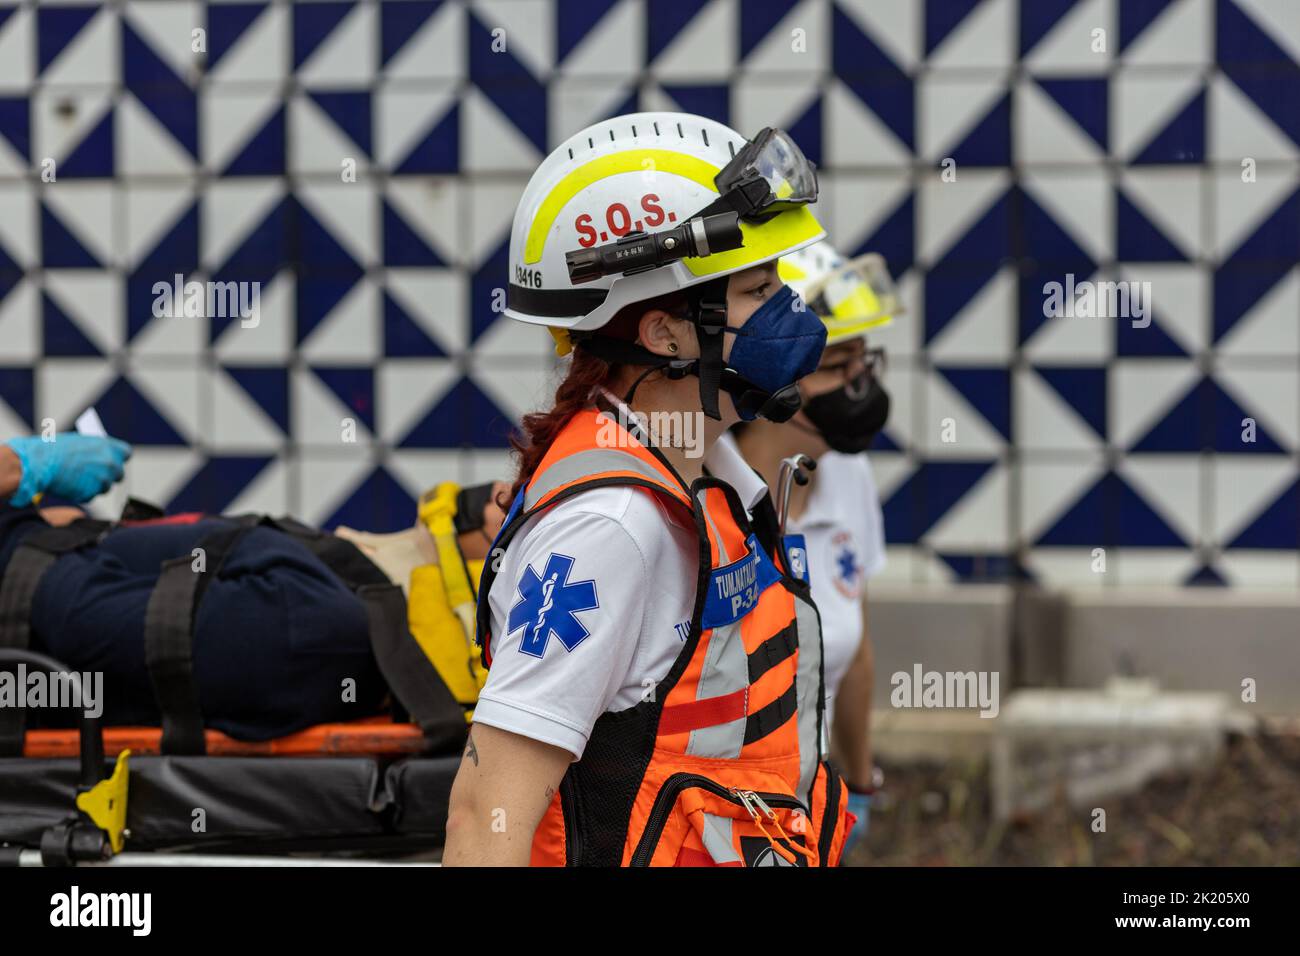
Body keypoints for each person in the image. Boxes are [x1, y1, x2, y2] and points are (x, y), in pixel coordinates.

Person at [443, 112, 854, 867]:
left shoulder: (711, 478)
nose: (791, 312)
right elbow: (483, 818)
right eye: (758, 290)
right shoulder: (612, 527)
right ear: (665, 334)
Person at [0, 431, 507, 746]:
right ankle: (416, 622)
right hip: (37, 601)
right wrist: (24, 467)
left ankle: (414, 595)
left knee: (321, 598)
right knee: (328, 628)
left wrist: (35, 497)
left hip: (44, 561)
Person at [725, 240, 900, 856]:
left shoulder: (848, 476)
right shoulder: (706, 499)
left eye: (863, 364)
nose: (858, 386)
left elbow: (855, 654)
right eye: (836, 367)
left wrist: (859, 781)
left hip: (815, 814)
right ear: (772, 377)